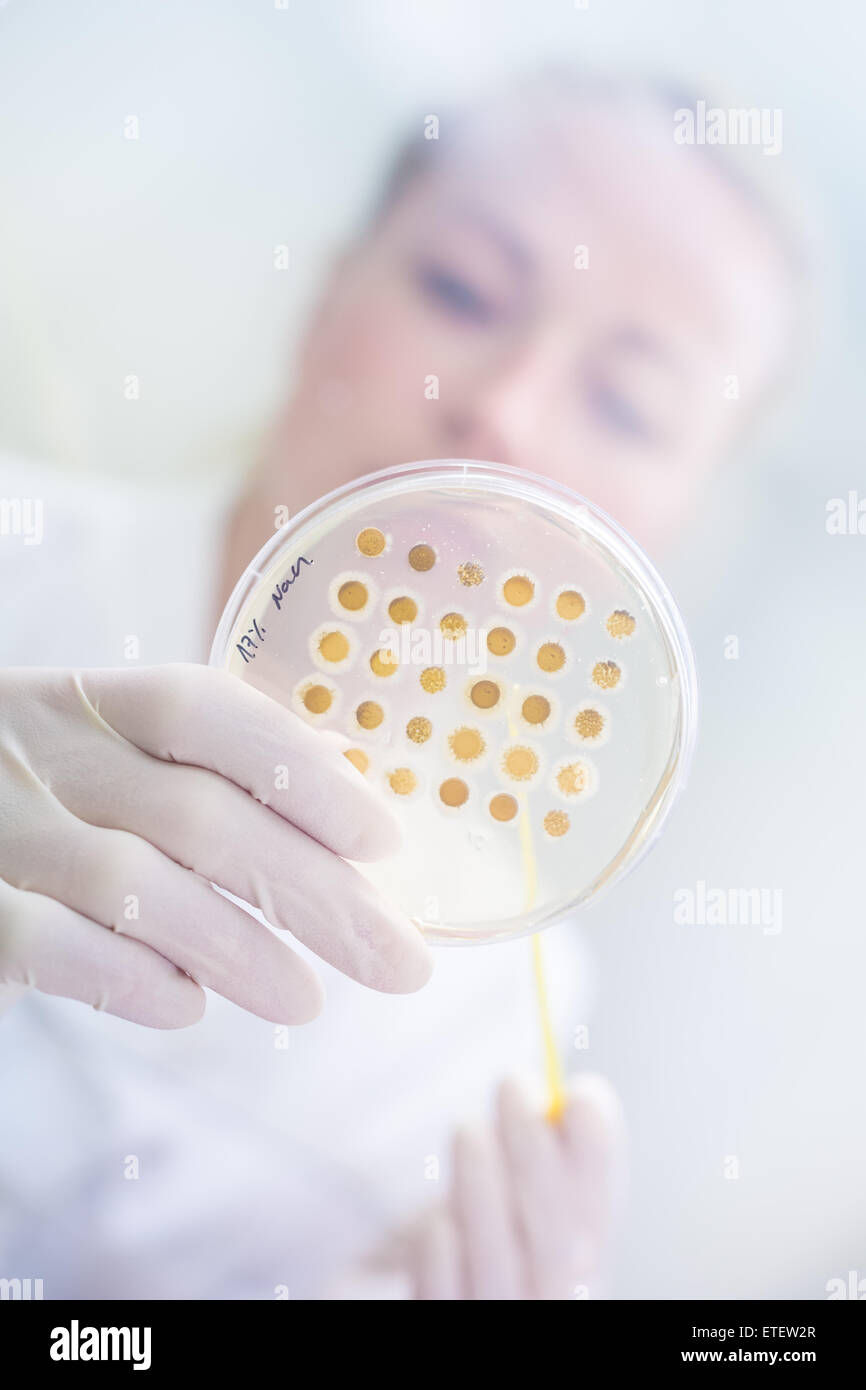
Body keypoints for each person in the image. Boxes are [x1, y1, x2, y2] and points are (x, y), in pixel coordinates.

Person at [0, 71, 798, 1299]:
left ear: (672, 521)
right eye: (461, 291)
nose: (507, 414)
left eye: (629, 406)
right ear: (326, 297)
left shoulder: (490, 1039)